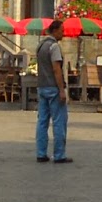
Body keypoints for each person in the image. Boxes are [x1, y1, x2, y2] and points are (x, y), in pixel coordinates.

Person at [34, 19, 70, 164]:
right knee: (59, 121)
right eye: (62, 30)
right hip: (53, 87)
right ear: (55, 30)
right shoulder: (54, 47)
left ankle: (41, 153)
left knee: (42, 122)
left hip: (42, 86)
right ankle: (59, 154)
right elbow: (56, 69)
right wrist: (61, 89)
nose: (63, 33)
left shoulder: (40, 45)